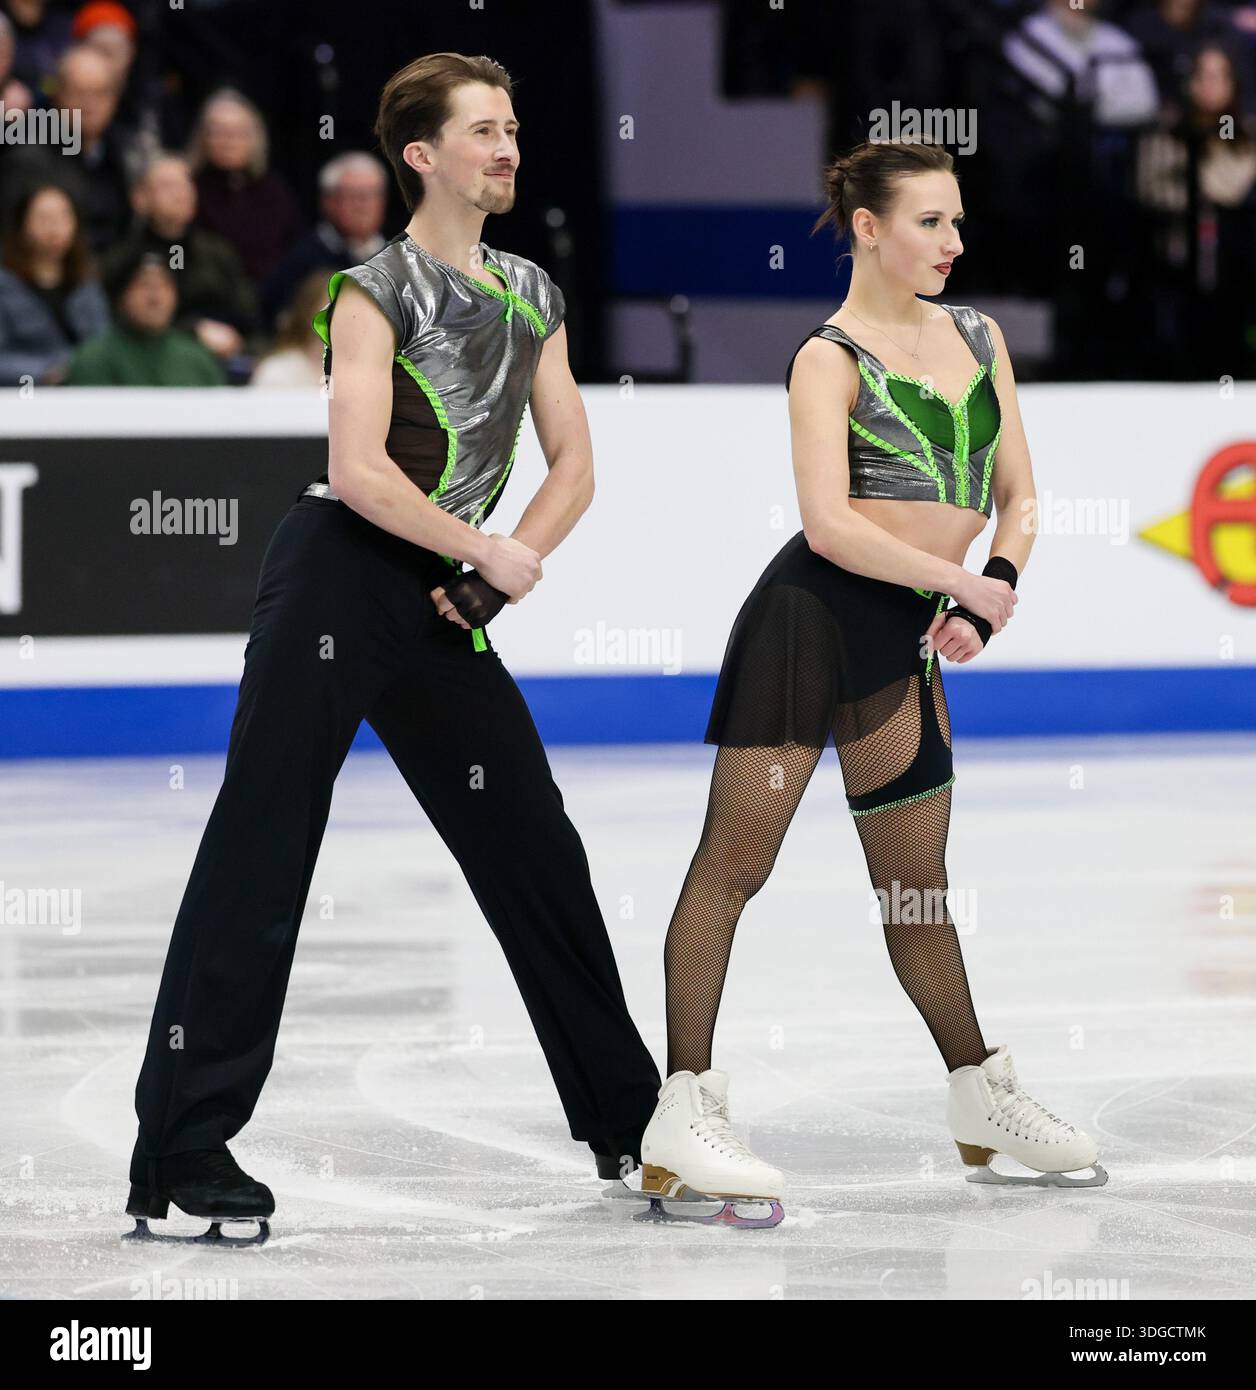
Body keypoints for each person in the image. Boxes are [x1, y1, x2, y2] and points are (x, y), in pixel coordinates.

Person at [126, 51, 660, 1244]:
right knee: (263, 846)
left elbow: (574, 463)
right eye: (482, 129)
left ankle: (632, 1119)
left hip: (442, 602)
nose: (507, 147)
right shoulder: (373, 290)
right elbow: (357, 470)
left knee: (533, 844)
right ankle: (182, 1146)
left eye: (514, 127)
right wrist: (482, 548)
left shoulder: (531, 290)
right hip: (339, 578)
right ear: (422, 155)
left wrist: (493, 570)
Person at [637, 140, 1108, 1226]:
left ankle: (977, 1092)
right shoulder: (827, 355)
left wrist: (987, 581)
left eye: (954, 222)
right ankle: (683, 1103)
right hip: (807, 627)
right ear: (866, 228)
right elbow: (827, 525)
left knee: (913, 890)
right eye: (929, 222)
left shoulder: (978, 337)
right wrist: (959, 582)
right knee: (731, 869)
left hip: (904, 642)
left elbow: (1021, 494)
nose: (952, 241)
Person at [64, 246, 225, 385]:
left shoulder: (198, 360)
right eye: (144, 285)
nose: (155, 297)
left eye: (164, 285)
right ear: (122, 295)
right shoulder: (93, 360)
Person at [0, 181, 108, 385]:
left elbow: (102, 345)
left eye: (63, 216)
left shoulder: (86, 282)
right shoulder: (5, 285)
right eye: (44, 218)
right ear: (22, 224)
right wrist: (47, 372)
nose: (54, 227)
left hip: (86, 397)